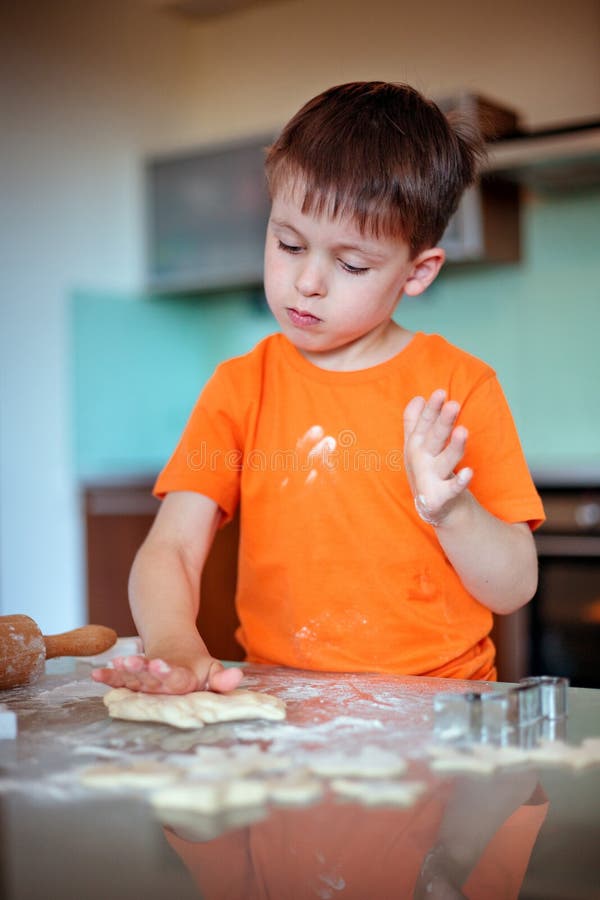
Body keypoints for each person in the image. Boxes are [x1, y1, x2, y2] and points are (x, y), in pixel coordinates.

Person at [93, 81, 543, 696]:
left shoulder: (458, 389)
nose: (307, 281)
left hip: (441, 711)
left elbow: (514, 587)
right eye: (288, 243)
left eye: (351, 264)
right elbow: (170, 547)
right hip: (286, 707)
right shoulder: (240, 388)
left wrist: (451, 510)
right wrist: (175, 644)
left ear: (418, 272)